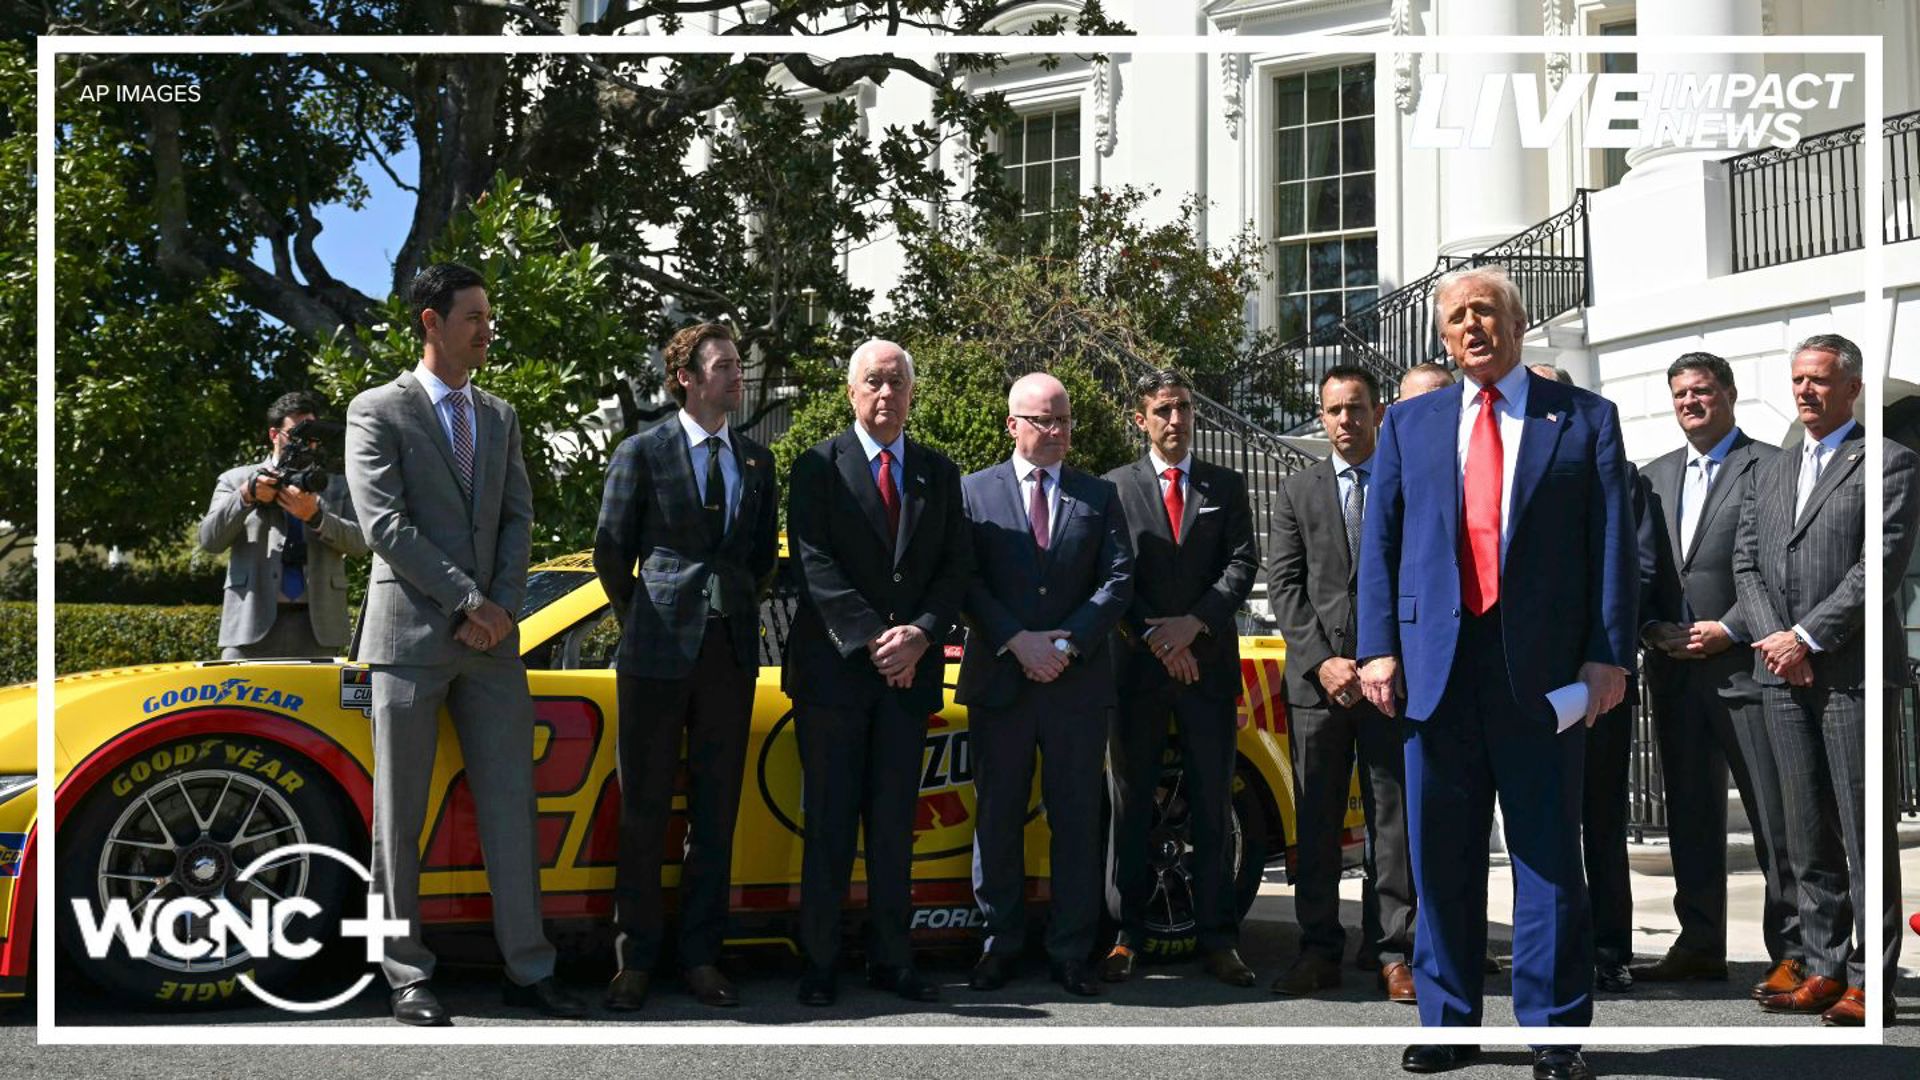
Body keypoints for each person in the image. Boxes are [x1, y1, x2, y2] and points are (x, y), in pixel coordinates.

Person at [1357, 265, 1634, 1080]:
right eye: (1455, 319)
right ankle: (1448, 1025)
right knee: (1440, 852)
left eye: (1485, 313)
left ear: (1516, 324)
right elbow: (1382, 544)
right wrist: (1378, 647)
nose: (1471, 328)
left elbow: (1611, 546)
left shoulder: (1584, 419)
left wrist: (1609, 654)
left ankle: (1552, 1031)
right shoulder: (1410, 423)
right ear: (1442, 338)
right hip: (1435, 670)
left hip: (1542, 676)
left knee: (1548, 856)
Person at [344, 262, 584, 1025]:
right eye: (474, 315)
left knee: (512, 807)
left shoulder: (501, 415)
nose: (487, 327)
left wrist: (504, 609)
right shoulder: (376, 409)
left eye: (488, 314)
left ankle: (529, 968)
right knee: (397, 821)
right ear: (430, 321)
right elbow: (383, 525)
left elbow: (519, 518)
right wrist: (469, 599)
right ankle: (403, 975)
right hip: (410, 638)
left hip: (492, 644)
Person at [592, 323, 779, 1010]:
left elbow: (759, 560)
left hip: (729, 653)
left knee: (716, 809)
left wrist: (724, 607)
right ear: (686, 378)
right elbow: (610, 551)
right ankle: (633, 959)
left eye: (738, 365)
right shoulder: (642, 451)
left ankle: (702, 957)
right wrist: (648, 612)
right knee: (643, 807)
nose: (737, 376)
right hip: (654, 654)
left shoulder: (757, 463)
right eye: (724, 366)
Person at [783, 339, 973, 1007]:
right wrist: (874, 641)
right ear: (851, 393)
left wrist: (920, 635)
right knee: (831, 826)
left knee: (895, 827)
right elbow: (814, 566)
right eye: (872, 382)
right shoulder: (815, 467)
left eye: (895, 382)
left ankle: (893, 959)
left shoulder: (937, 472)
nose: (885, 394)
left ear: (912, 392)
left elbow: (955, 569)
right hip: (834, 677)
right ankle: (822, 962)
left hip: (908, 677)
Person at [1736, 333, 1909, 1026]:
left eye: (1820, 381)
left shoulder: (1890, 463)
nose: (1806, 391)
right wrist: (1777, 642)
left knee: (1865, 834)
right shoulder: (1772, 470)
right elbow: (1746, 564)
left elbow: (1879, 566)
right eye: (1798, 380)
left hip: (1851, 674)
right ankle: (1824, 963)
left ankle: (1873, 979)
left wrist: (1807, 637)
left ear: (1852, 387)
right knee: (1806, 833)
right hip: (1781, 677)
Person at [959, 371, 1133, 997]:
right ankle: (998, 944)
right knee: (998, 819)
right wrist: (1017, 640)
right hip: (1001, 683)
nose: (1056, 430)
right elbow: (966, 581)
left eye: (1063, 420)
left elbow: (1117, 581)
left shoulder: (1097, 494)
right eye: (1043, 420)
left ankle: (1070, 950)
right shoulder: (973, 493)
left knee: (1078, 822)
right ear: (1013, 425)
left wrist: (1067, 642)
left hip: (1074, 685)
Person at [1631, 353, 1796, 997]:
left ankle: (1793, 950)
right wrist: (1650, 629)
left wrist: (1731, 626)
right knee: (1691, 819)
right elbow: (1639, 570)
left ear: (1729, 394)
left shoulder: (1771, 467)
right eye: (1680, 394)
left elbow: (1782, 565)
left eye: (1702, 391)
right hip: (1674, 674)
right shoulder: (1653, 477)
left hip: (1746, 668)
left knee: (1772, 818)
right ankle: (1700, 944)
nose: (1690, 402)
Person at [1102, 368, 1260, 987]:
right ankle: (1127, 935)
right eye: (1164, 410)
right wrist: (1157, 638)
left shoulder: (1227, 484)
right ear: (1141, 418)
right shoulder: (1112, 489)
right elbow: (1113, 575)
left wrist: (1194, 626)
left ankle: (1220, 940)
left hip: (1208, 667)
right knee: (1132, 803)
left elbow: (1242, 563)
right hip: (1138, 672)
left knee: (1213, 804)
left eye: (1185, 409)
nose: (1176, 420)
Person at [1266, 364, 1416, 1005]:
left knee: (1392, 823)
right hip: (1319, 688)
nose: (1345, 420)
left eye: (1356, 408)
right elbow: (1285, 586)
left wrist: (1388, 657)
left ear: (1378, 412)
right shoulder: (1296, 491)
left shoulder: (1407, 483)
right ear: (1321, 418)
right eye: (1333, 410)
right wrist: (1323, 661)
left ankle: (1391, 952)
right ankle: (1318, 948)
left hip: (1389, 683)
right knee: (1318, 822)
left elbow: (1421, 580)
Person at [1526, 364, 1658, 997]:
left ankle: (1607, 947)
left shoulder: (1620, 478)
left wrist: (1604, 657)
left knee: (1600, 816)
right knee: (1533, 821)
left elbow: (1638, 566)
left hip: (1589, 680)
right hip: (1520, 682)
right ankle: (1546, 947)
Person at [198, 390, 366, 659]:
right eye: (297, 434)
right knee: (241, 702)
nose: (307, 444)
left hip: (318, 628)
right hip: (250, 624)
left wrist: (316, 516)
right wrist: (245, 496)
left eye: (311, 436)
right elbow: (209, 540)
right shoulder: (235, 480)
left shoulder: (336, 486)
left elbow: (360, 543)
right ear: (274, 435)